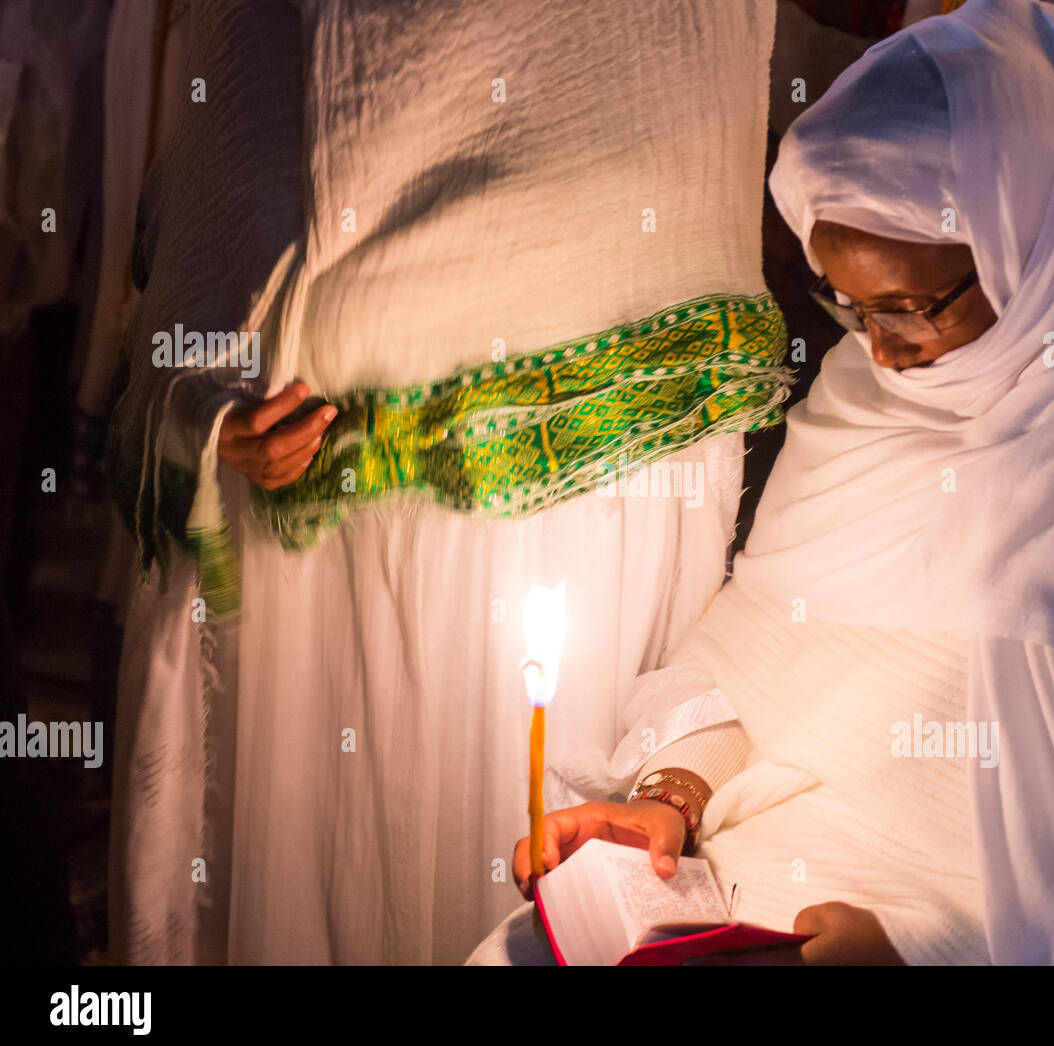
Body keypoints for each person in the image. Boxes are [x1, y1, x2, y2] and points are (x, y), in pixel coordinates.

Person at [473, 0, 1054, 965]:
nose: (885, 356)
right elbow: (753, 647)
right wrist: (671, 795)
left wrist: (922, 953)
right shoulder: (872, 395)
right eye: (850, 306)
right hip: (737, 889)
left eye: (910, 309)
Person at [106, 0, 787, 965]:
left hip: (624, 452)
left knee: (576, 848)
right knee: (367, 859)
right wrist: (208, 396)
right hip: (350, 487)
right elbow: (246, 100)